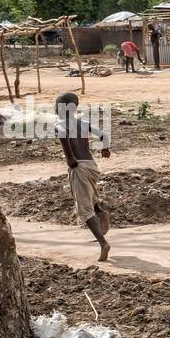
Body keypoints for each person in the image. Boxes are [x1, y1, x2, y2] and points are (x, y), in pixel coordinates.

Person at [55, 92, 111, 262]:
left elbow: (68, 151)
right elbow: (104, 136)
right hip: (92, 166)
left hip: (78, 167)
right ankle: (101, 212)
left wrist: (71, 160)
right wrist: (104, 148)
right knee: (90, 197)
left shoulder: (60, 126)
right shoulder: (84, 123)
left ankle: (103, 243)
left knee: (84, 210)